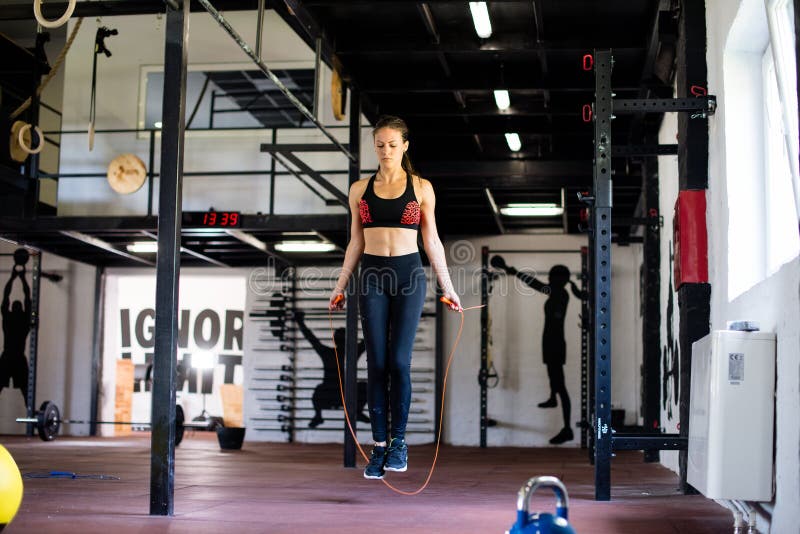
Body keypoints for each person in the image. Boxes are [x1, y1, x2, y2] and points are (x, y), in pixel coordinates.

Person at [330, 115, 462, 480]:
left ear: (405, 145)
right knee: (376, 363)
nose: (385, 151)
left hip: (408, 276)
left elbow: (431, 240)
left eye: (392, 144)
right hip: (370, 275)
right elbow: (356, 240)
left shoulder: (421, 188)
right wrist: (340, 285)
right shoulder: (359, 189)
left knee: (399, 363)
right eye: (379, 145)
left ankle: (399, 443)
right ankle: (379, 446)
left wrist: (448, 287)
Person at [490, 255, 574, 445]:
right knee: (555, 380)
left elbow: (536, 284)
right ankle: (553, 397)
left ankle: (567, 428)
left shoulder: (561, 294)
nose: (550, 280)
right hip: (550, 342)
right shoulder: (556, 292)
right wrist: (513, 271)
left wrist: (513, 271)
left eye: (553, 277)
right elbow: (537, 285)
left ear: (560, 279)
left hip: (555, 344)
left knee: (560, 384)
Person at [293, 310, 370, 428]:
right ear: (347, 340)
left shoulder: (330, 353)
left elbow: (311, 339)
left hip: (335, 393)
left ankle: (318, 415)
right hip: (340, 393)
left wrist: (300, 322)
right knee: (364, 387)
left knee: (319, 391)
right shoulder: (351, 352)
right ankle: (354, 412)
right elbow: (367, 337)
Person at [0, 269, 32, 407]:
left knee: (26, 391)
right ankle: (30, 412)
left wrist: (12, 278)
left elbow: (6, 295)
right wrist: (22, 279)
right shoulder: (24, 321)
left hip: (9, 357)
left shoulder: (8, 318)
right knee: (26, 392)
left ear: (12, 309)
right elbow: (27, 297)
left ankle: (31, 415)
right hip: (15, 358)